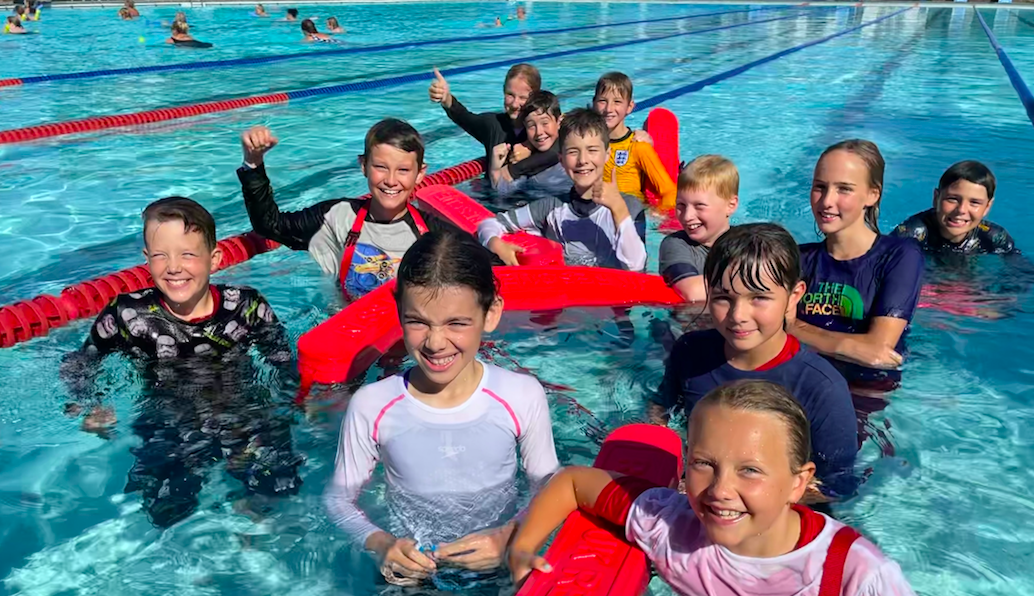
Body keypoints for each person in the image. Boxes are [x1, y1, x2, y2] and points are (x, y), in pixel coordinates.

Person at [508, 380, 916, 595]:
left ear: (798, 483)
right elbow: (575, 481)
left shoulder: (854, 574)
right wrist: (521, 547)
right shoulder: (670, 525)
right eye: (704, 464)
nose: (721, 489)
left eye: (750, 470)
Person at [325, 230, 559, 588]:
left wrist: (511, 536)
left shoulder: (521, 395)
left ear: (491, 313)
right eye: (418, 322)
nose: (435, 343)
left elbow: (550, 485)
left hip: (500, 561)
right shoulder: (372, 405)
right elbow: (339, 498)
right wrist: (382, 544)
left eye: (456, 323)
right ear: (398, 311)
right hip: (410, 568)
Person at [60, 197, 302, 528]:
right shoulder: (128, 315)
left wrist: (297, 400)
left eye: (187, 254)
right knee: (165, 513)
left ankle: (248, 526)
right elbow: (79, 364)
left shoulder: (246, 306)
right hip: (168, 422)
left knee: (278, 492)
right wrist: (89, 403)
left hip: (244, 415)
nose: (173, 267)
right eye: (161, 255)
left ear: (214, 259)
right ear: (146, 259)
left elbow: (283, 363)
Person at [649, 223, 858, 498]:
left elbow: (836, 486)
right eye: (723, 297)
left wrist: (743, 499)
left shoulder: (821, 388)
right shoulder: (689, 352)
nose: (738, 315)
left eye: (759, 297)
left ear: (793, 297)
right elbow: (662, 410)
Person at [237, 120, 472, 301]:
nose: (391, 180)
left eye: (403, 170)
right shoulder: (336, 218)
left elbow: (482, 270)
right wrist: (253, 164)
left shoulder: (435, 235)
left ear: (420, 174)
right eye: (380, 167)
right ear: (363, 166)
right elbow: (269, 225)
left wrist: (490, 235)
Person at [793, 140, 924, 386]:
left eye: (844, 189)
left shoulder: (900, 255)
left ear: (873, 194)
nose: (827, 201)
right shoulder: (797, 258)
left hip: (865, 388)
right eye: (820, 187)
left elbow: (878, 350)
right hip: (800, 378)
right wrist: (846, 346)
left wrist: (792, 327)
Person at [477, 108, 647, 271]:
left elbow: (636, 266)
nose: (582, 160)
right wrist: (495, 243)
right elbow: (490, 224)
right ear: (561, 159)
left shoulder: (629, 206)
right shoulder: (551, 208)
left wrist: (618, 209)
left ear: (607, 155)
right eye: (573, 152)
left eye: (592, 150)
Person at [428, 64, 558, 183]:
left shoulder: (542, 131)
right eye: (510, 95)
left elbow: (562, 144)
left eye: (523, 97)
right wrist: (446, 98)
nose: (514, 104)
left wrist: (529, 147)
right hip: (493, 195)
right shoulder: (493, 124)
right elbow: (464, 117)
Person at [892, 160, 1018, 256]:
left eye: (974, 202)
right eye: (952, 199)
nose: (961, 210)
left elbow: (1020, 274)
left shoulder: (994, 237)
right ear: (936, 198)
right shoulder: (911, 235)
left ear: (987, 207)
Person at [659, 155, 739, 303]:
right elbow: (692, 291)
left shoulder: (748, 243)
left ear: (731, 205)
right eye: (681, 205)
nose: (687, 216)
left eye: (699, 206)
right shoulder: (676, 244)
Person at [592, 72, 676, 211]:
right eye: (602, 101)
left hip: (629, 214)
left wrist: (660, 213)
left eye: (617, 102)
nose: (608, 109)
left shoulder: (638, 147)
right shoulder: (588, 143)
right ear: (594, 103)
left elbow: (670, 191)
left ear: (630, 107)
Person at [489, 91, 569, 200]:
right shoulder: (528, 170)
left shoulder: (571, 154)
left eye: (545, 123)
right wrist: (495, 170)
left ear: (559, 122)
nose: (539, 132)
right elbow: (503, 193)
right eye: (531, 126)